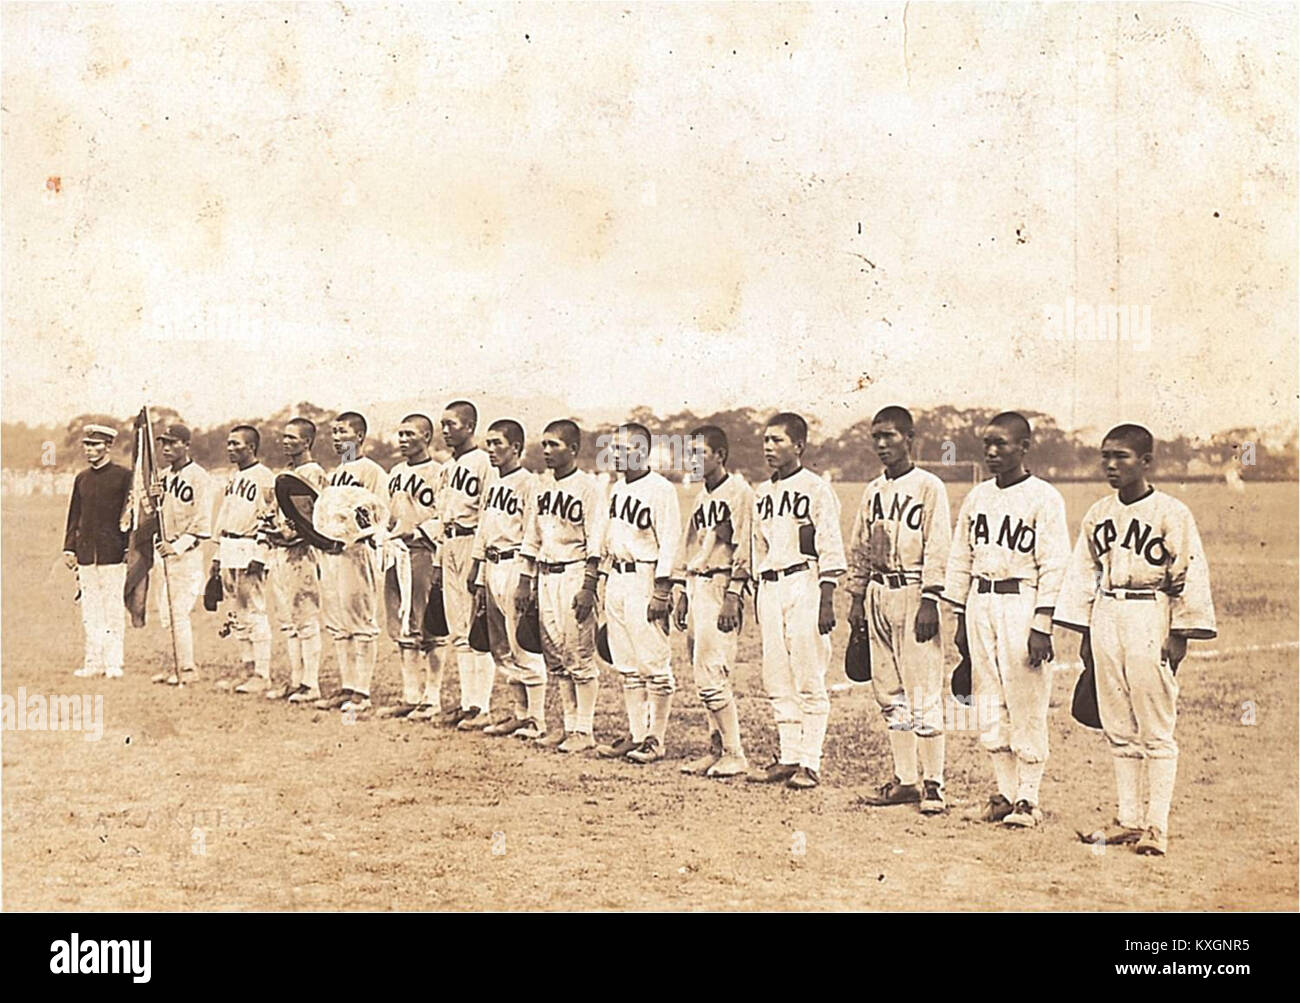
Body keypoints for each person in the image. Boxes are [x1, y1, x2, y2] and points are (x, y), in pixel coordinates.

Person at [1054, 424, 1216, 857]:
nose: (1111, 464)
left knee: (1156, 727)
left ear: (1146, 461)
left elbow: (1187, 573)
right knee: (1118, 725)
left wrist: (1180, 632)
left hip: (1151, 610)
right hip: (1108, 610)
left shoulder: (1171, 513)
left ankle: (1156, 826)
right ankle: (1128, 820)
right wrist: (1085, 630)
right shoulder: (1098, 513)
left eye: (1122, 456)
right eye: (1106, 456)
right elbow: (1084, 573)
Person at [943, 412, 1070, 828]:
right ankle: (1004, 794)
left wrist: (1043, 623)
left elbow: (1054, 564)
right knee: (988, 699)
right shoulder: (978, 496)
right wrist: (960, 617)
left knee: (1026, 698)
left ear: (1024, 447)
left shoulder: (1044, 497)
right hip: (981, 600)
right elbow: (962, 558)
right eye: (988, 445)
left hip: (1021, 600)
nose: (993, 452)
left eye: (1002, 444)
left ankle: (1028, 799)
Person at [848, 407, 953, 814]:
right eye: (875, 436)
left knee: (922, 690)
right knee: (890, 693)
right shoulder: (872, 490)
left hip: (912, 590)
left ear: (910, 439)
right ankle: (905, 779)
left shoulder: (929, 487)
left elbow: (938, 545)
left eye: (889, 436)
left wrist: (930, 598)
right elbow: (859, 547)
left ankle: (934, 784)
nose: (881, 444)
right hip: (878, 590)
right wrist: (856, 598)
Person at [748, 412, 847, 790]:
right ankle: (788, 756)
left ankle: (811, 761)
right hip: (771, 586)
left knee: (808, 675)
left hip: (803, 581)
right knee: (777, 677)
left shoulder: (816, 488)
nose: (768, 447)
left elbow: (829, 547)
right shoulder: (762, 492)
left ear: (799, 446)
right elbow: (759, 547)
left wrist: (826, 597)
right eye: (766, 441)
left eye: (777, 441)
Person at [516, 419, 607, 752]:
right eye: (544, 444)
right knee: (554, 655)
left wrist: (589, 585)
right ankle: (568, 726)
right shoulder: (541, 486)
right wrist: (525, 581)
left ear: (573, 449)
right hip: (545, 573)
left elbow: (595, 539)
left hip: (574, 571)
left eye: (554, 444)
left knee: (579, 653)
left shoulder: (589, 488)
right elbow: (532, 536)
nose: (547, 450)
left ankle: (584, 730)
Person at [595, 423, 682, 765]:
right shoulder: (617, 488)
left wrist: (662, 589)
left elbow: (670, 540)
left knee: (654, 663)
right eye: (614, 447)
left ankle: (655, 738)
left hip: (646, 577)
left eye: (625, 448)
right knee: (627, 665)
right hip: (618, 576)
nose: (617, 453)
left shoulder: (660, 489)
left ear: (643, 451)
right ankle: (635, 735)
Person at [672, 425, 752, 778]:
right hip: (697, 585)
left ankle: (735, 753)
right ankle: (716, 748)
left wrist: (733, 595)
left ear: (720, 455)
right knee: (701, 669)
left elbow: (745, 546)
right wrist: (682, 593)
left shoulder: (738, 491)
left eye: (700, 453)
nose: (692, 460)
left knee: (712, 673)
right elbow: (692, 546)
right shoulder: (704, 494)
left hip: (720, 585)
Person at [314, 411, 387, 715]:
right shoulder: (336, 472)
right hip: (333, 553)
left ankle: (362, 691)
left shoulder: (371, 471)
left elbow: (380, 514)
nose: (336, 438)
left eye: (342, 432)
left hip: (358, 552)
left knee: (361, 622)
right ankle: (347, 686)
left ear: (359, 437)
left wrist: (355, 535)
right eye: (333, 432)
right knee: (338, 623)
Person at [378, 414, 446, 720]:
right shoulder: (394, 472)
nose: (403, 439)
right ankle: (410, 694)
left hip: (423, 550)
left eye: (410, 434)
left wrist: (419, 532)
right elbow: (387, 514)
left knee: (427, 625)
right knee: (401, 624)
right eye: (400, 434)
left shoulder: (439, 472)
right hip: (396, 552)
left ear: (427, 437)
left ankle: (432, 698)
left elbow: (443, 515)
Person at [435, 401, 497, 729]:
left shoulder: (485, 462)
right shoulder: (446, 466)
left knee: (475, 628)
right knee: (457, 629)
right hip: (448, 543)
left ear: (470, 426)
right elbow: (440, 516)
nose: (445, 431)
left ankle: (481, 705)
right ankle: (466, 702)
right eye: (443, 425)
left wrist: (481, 561)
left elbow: (489, 514)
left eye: (452, 424)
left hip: (473, 541)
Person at [262, 418, 327, 703]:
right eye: (284, 437)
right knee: (288, 620)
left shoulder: (313, 473)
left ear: (307, 442)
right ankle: (295, 680)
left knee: (306, 618)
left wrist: (291, 535)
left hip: (302, 552)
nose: (286, 442)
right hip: (281, 552)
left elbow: (315, 518)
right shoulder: (287, 472)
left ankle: (311, 684)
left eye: (292, 438)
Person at [63, 423, 132, 679]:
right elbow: (74, 516)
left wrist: (128, 547)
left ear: (108, 446)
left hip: (113, 553)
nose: (90, 450)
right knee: (90, 610)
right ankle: (93, 661)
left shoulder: (124, 477)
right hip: (86, 554)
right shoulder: (82, 478)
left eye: (95, 445)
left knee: (112, 608)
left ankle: (114, 662)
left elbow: (130, 516)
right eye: (87, 445)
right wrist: (69, 548)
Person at [211, 425, 276, 694]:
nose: (230, 448)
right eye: (228, 443)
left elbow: (270, 518)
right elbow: (226, 516)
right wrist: (216, 557)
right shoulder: (233, 477)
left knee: (255, 611)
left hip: (250, 547)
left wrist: (260, 555)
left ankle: (262, 674)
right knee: (237, 613)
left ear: (251, 447)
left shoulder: (264, 477)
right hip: (229, 546)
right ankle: (247, 671)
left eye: (236, 444)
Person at [148, 424, 214, 687]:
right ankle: (174, 664)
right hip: (163, 552)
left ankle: (187, 669)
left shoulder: (200, 477)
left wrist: (177, 546)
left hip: (186, 554)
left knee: (179, 613)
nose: (166, 448)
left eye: (172, 443)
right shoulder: (162, 477)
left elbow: (201, 523)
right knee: (166, 613)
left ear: (186, 445)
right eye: (163, 443)